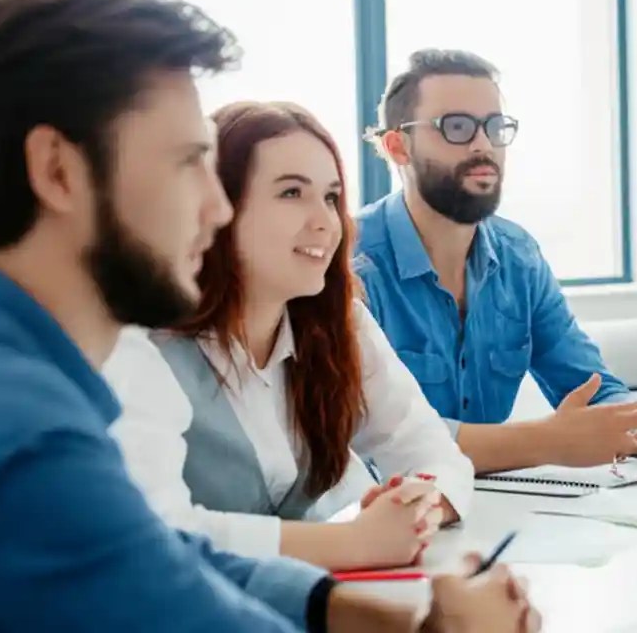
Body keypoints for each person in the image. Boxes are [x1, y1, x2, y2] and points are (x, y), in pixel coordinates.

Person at [0, 0, 538, 632]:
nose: (217, 207)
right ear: (58, 172)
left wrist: (361, 614)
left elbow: (162, 557)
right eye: (185, 162)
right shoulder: (25, 442)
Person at [103, 100, 475, 572]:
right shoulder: (146, 347)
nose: (325, 221)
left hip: (349, 598)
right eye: (291, 193)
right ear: (219, 208)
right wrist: (355, 542)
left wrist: (423, 504)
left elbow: (434, 453)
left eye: (331, 197)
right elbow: (159, 533)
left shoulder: (344, 324)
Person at [353, 49, 637, 473]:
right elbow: (374, 442)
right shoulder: (348, 265)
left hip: (488, 507)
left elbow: (590, 384)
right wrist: (548, 441)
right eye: (456, 127)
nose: (483, 145)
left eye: (495, 127)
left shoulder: (519, 257)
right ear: (398, 147)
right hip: (378, 520)